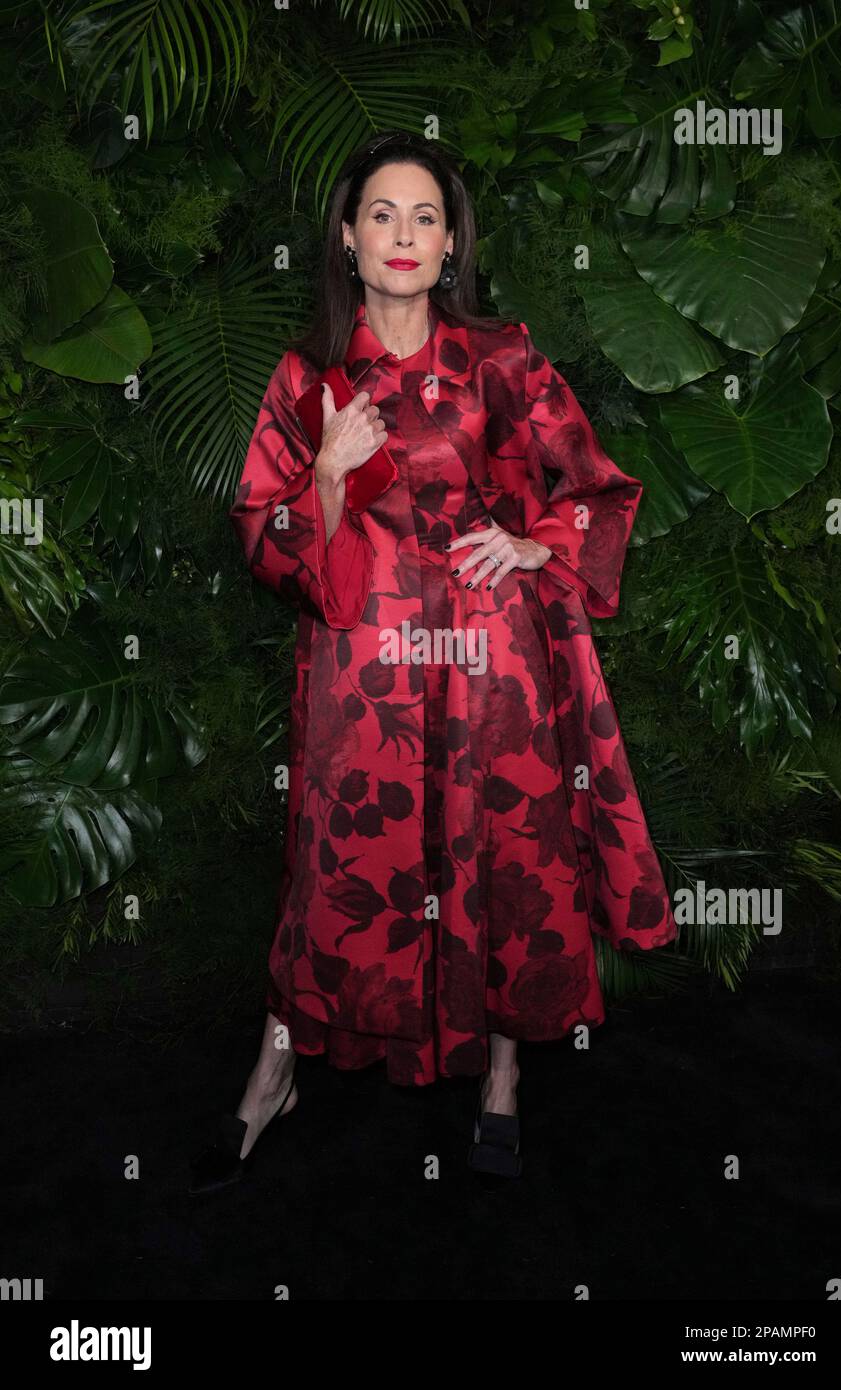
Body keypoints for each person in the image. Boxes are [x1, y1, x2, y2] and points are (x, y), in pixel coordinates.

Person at [189, 130, 677, 1193]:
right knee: (334, 871)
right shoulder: (307, 378)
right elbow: (264, 540)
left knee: (501, 858)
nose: (403, 235)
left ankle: (502, 1077)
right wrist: (327, 473)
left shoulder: (502, 358)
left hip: (489, 665)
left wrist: (534, 543)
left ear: (452, 242)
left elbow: (594, 486)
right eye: (382, 214)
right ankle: (275, 1073)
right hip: (360, 676)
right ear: (347, 238)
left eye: (425, 217)